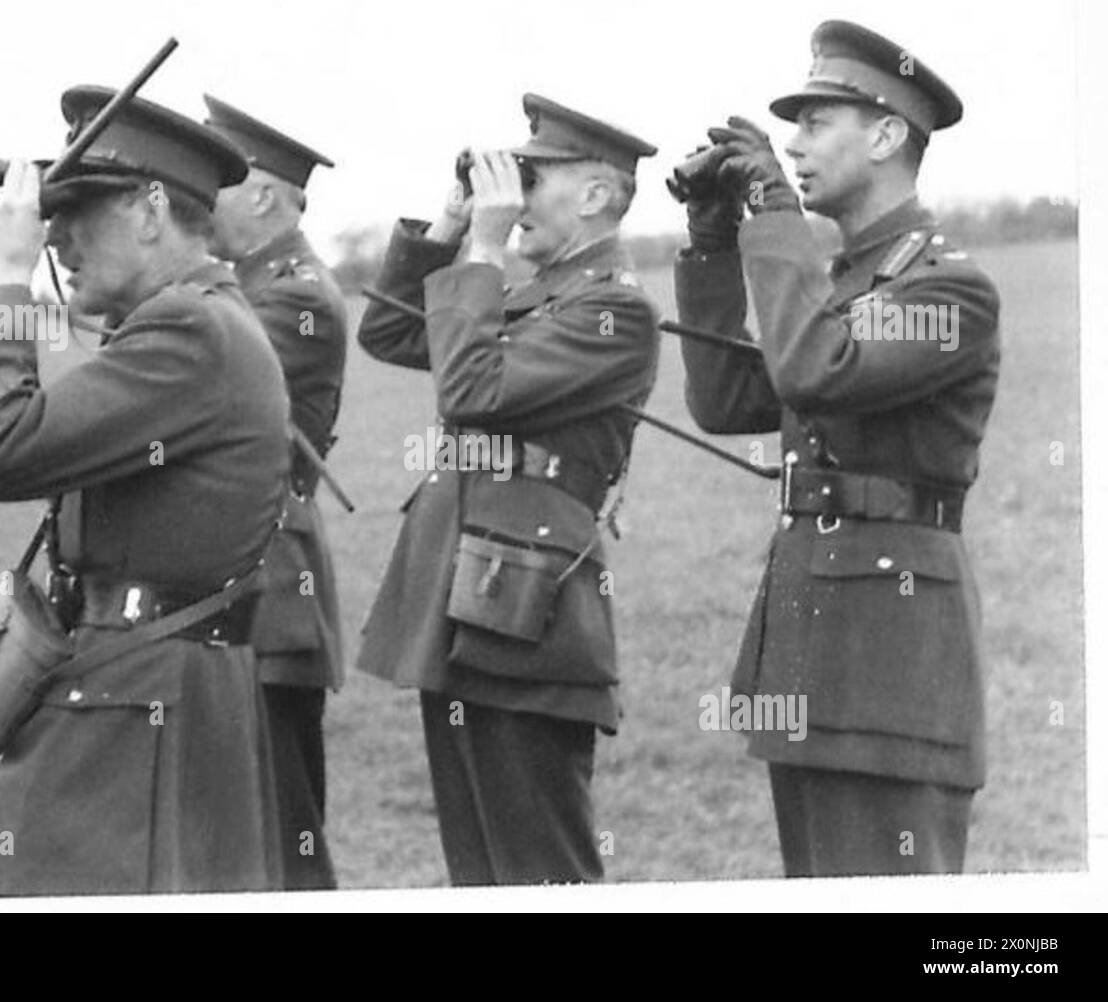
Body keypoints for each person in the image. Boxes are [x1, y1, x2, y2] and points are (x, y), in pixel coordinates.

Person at [0, 86, 291, 894]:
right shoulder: (191, 322)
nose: (56, 237)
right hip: (144, 682)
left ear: (150, 209)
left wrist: (2, 280)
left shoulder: (192, 332)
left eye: (80, 208)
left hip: (143, 694)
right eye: (49, 215)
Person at [672, 20, 1001, 876]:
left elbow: (818, 366)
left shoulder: (949, 285)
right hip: (814, 645)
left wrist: (775, 214)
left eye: (818, 123)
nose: (793, 144)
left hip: (894, 666)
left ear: (888, 134)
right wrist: (713, 243)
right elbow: (726, 398)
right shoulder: (845, 282)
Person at [356, 94, 660, 885]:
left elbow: (472, 392)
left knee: (538, 871)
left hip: (526, 618)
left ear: (595, 195)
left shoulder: (613, 311)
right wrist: (451, 231)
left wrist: (485, 253)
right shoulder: (539, 295)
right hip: (467, 601)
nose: (516, 195)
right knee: (480, 871)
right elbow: (389, 332)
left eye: (533, 175)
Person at [204, 95, 347, 890]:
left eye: (214, 179)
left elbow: (204, 397)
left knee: (283, 837)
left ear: (262, 195)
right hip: (246, 588)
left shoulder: (293, 299)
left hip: (268, 595)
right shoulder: (247, 286)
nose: (196, 198)